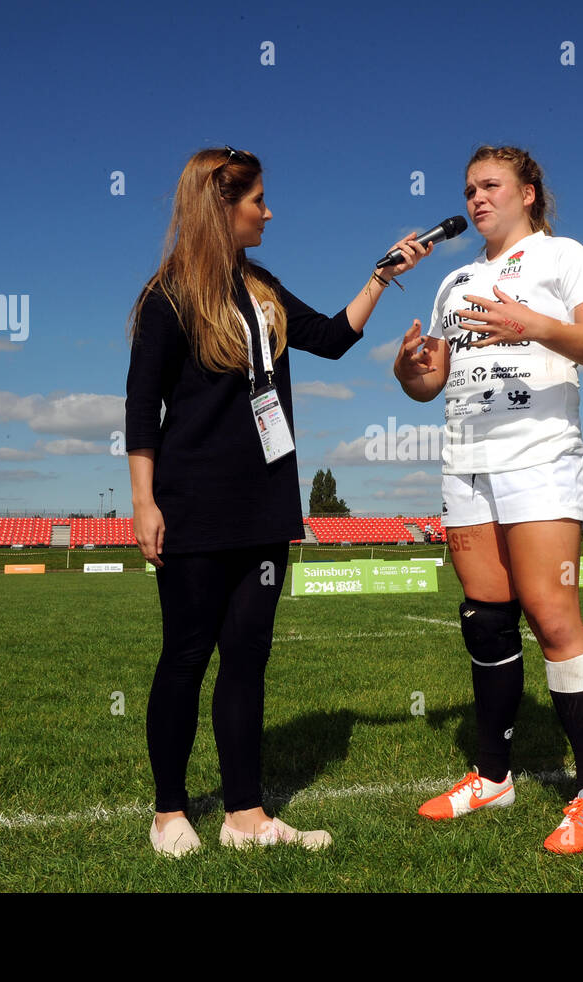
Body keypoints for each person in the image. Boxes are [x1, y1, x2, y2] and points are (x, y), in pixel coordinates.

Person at [126, 146, 430, 856]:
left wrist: (380, 278)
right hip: (192, 505)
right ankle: (169, 812)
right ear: (220, 206)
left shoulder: (261, 286)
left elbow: (329, 338)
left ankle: (245, 816)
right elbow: (142, 408)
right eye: (257, 199)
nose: (269, 210)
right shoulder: (166, 296)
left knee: (247, 658)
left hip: (264, 502)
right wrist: (143, 500)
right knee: (186, 655)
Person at [393, 145, 583, 854]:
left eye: (489, 185)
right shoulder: (455, 280)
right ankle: (493, 776)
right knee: (485, 621)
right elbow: (430, 382)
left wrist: (537, 326)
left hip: (539, 461)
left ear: (528, 192)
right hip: (467, 465)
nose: (475, 198)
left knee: (553, 618)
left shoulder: (566, 258)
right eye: (468, 189)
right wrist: (409, 371)